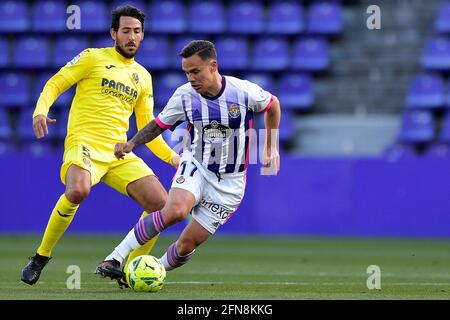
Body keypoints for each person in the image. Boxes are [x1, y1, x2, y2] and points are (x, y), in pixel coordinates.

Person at [21, 5, 179, 287]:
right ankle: (40, 257)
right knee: (78, 190)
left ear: (142, 36)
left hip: (119, 151)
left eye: (137, 31)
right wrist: (40, 111)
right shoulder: (93, 57)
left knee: (161, 204)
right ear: (113, 33)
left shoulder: (142, 76)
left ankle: (128, 268)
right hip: (85, 144)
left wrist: (172, 158)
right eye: (126, 31)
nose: (132, 37)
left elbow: (147, 127)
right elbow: (56, 83)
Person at [96, 40, 281, 279]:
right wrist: (132, 143)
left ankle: (151, 273)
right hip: (196, 165)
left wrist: (270, 146)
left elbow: (273, 104)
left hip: (230, 184)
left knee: (186, 246)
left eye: (195, 71)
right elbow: (159, 125)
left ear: (213, 66)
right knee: (175, 211)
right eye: (186, 73)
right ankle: (115, 258)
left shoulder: (243, 91)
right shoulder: (185, 95)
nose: (191, 78)